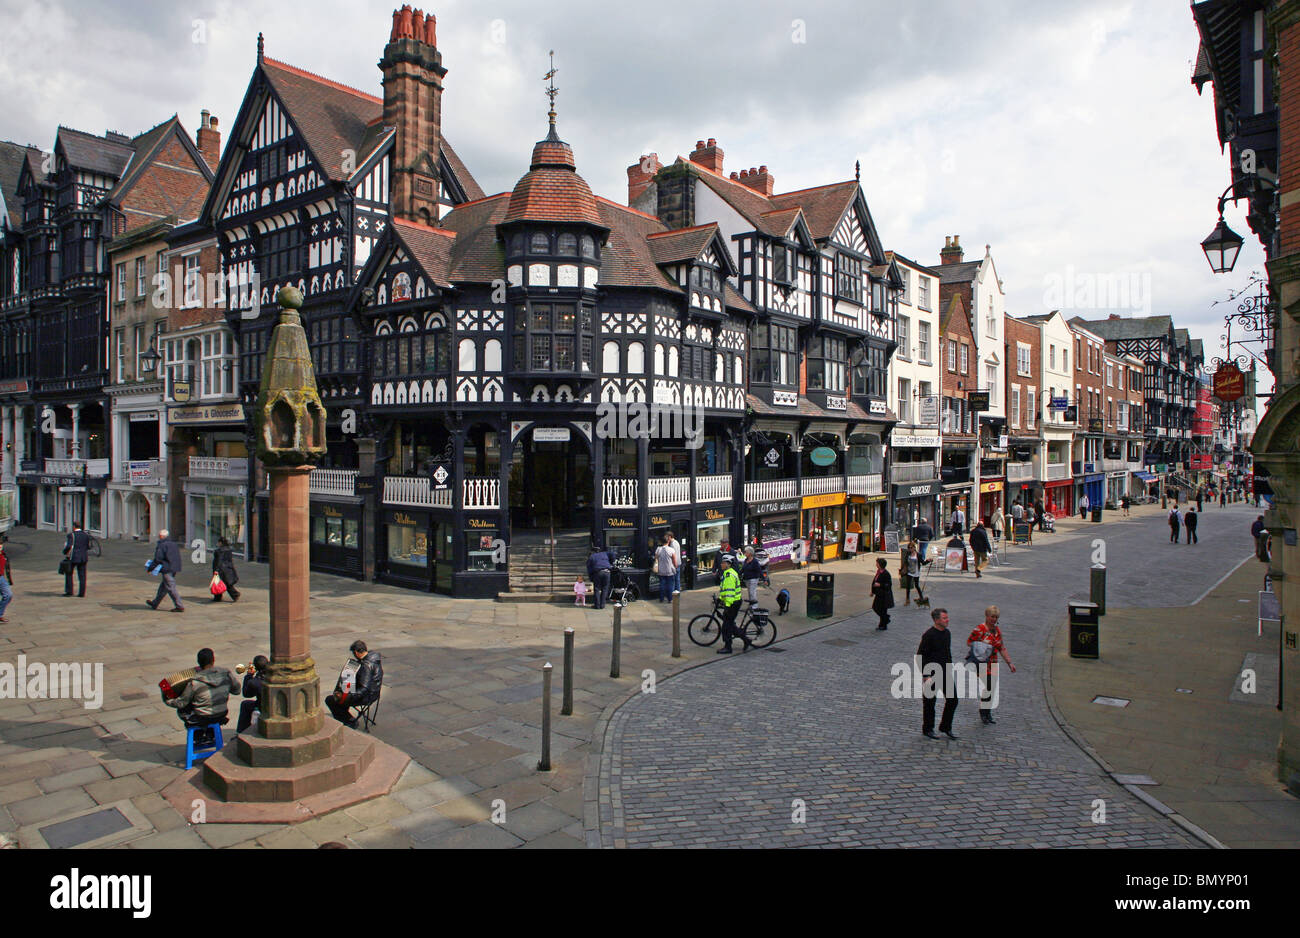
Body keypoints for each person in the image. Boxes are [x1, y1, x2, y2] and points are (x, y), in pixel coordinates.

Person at [165, 647, 241, 746]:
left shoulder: (195, 682)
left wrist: (169, 700)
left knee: (183, 710)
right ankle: (210, 734)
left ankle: (198, 736)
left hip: (202, 717)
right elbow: (237, 691)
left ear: (198, 662)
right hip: (221, 714)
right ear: (213, 660)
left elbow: (181, 703)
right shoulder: (226, 674)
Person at [966, 605, 1016, 725]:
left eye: (996, 617)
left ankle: (987, 712)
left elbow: (1001, 648)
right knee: (988, 686)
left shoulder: (997, 631)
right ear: (987, 616)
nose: (994, 619)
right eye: (992, 617)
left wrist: (1010, 663)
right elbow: (969, 642)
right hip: (982, 663)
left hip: (993, 663)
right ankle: (983, 712)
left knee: (992, 688)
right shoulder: (980, 629)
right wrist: (982, 645)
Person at [918, 607, 959, 740]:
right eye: (944, 618)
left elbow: (947, 652)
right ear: (936, 620)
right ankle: (928, 729)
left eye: (947, 617)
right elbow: (921, 655)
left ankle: (945, 727)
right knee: (930, 702)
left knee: (953, 700)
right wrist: (925, 675)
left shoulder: (947, 633)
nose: (948, 620)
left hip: (945, 672)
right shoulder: (929, 635)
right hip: (931, 673)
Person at [326, 640, 383, 727]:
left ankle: (350, 721)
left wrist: (348, 696)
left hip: (366, 696)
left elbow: (364, 688)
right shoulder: (373, 659)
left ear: (356, 652)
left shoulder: (366, 665)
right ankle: (346, 714)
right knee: (345, 688)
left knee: (331, 700)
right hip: (374, 693)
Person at [716, 556, 751, 654]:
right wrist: (720, 599)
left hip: (732, 604)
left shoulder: (729, 575)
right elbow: (725, 590)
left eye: (723, 563)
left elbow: (730, 592)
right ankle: (746, 640)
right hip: (733, 602)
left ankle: (728, 647)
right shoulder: (728, 573)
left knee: (726, 627)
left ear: (728, 564)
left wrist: (727, 605)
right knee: (730, 625)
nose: (721, 564)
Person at [146, 529, 185, 612]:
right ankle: (155, 603)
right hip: (174, 567)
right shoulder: (174, 544)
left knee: (170, 587)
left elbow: (158, 559)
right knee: (163, 587)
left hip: (167, 568)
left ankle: (179, 605)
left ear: (161, 536)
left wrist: (150, 568)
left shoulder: (162, 545)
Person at [236, 654, 269, 734]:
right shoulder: (273, 674)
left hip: (263, 707)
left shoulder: (254, 682)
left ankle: (241, 732)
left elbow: (246, 694)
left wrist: (249, 675)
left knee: (245, 704)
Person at [62, 522, 90, 597]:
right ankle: (82, 593)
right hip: (83, 557)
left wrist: (64, 552)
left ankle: (69, 591)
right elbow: (88, 546)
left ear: (74, 526)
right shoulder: (86, 535)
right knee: (82, 576)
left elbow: (69, 546)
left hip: (73, 557)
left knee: (69, 573)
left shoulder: (71, 535)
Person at [211, 536, 241, 602]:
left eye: (218, 542)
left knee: (218, 582)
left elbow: (219, 561)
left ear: (221, 543)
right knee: (227, 583)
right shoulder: (229, 550)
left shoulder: (218, 551)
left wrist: (216, 570)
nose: (218, 544)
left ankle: (218, 597)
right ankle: (234, 595)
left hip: (221, 569)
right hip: (228, 568)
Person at [586, 543, 613, 610]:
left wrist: (591, 577)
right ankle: (602, 605)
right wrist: (611, 562)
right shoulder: (605, 553)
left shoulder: (592, 556)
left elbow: (589, 567)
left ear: (593, 551)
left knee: (597, 589)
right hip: (607, 572)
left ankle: (597, 605)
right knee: (605, 588)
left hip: (598, 572)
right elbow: (612, 554)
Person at [870, 557, 894, 631]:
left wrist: (880, 585)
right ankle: (885, 619)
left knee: (882, 609)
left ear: (880, 564)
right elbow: (874, 582)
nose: (876, 564)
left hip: (884, 595)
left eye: (877, 563)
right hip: (878, 593)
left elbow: (888, 585)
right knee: (875, 607)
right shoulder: (879, 572)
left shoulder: (886, 574)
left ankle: (883, 624)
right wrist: (872, 591)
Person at [655, 534, 677, 603]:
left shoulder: (658, 549)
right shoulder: (671, 550)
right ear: (668, 541)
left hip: (661, 570)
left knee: (662, 584)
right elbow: (674, 561)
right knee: (669, 585)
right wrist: (675, 566)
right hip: (669, 570)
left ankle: (661, 599)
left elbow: (656, 558)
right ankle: (670, 599)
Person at [667, 530, 683, 596]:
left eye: (668, 537)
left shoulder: (672, 544)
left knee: (673, 580)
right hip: (678, 563)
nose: (667, 539)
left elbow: (673, 555)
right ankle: (678, 592)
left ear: (670, 537)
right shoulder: (676, 542)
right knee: (677, 579)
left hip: (674, 564)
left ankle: (672, 594)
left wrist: (673, 564)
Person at [0, 541, 12, 623]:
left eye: (0, 546)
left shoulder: (3, 554)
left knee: (8, 595)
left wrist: (9, 579)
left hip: (1, 578)